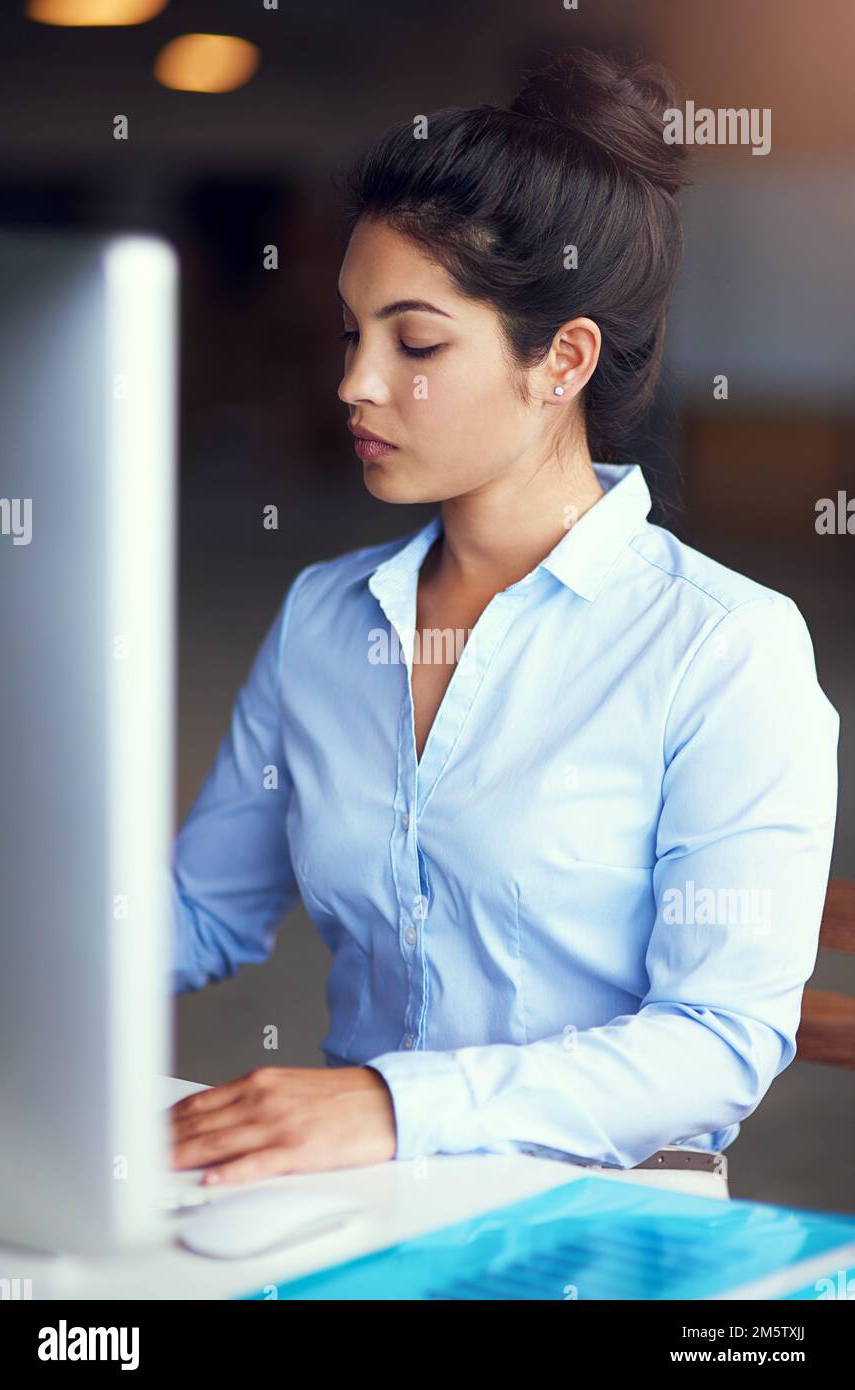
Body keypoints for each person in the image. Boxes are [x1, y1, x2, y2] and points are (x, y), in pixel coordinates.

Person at [168, 49, 839, 1196]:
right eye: (350, 334)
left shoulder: (725, 648)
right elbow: (199, 909)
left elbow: (719, 1039)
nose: (355, 384)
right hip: (353, 1202)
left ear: (562, 360)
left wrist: (394, 1104)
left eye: (415, 343)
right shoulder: (326, 617)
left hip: (605, 1214)